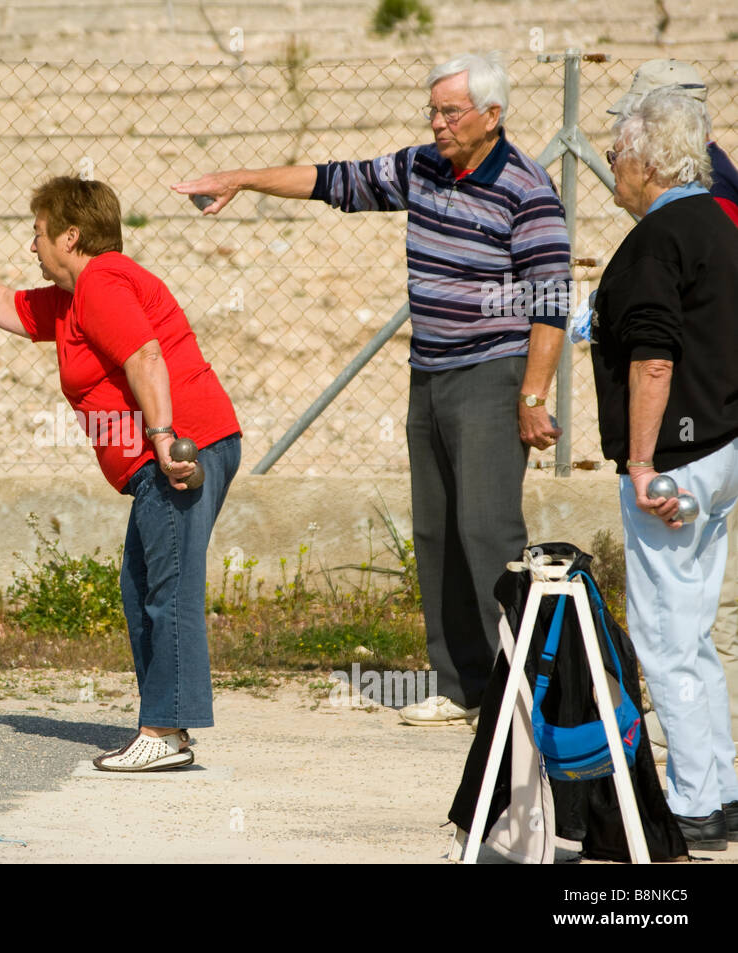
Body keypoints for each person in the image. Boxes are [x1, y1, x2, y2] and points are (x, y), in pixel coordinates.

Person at [174, 51, 570, 726]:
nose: (438, 123)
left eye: (451, 111)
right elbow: (335, 180)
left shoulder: (527, 190)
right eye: (433, 110)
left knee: (488, 530)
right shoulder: (422, 167)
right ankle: (461, 683)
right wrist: (243, 178)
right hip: (430, 374)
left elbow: (551, 301)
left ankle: (524, 689)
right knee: (437, 531)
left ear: (492, 115)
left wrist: (532, 397)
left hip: (492, 377)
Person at [0, 175, 242, 771]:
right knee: (142, 587)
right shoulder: (72, 299)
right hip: (164, 457)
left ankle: (163, 731)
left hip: (180, 451)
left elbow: (145, 355)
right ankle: (169, 726)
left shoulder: (104, 283)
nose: (31, 247)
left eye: (37, 234)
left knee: (168, 589)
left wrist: (163, 439)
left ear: (71, 235)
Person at [590, 87, 738, 850]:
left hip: (676, 457)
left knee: (664, 635)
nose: (612, 168)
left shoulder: (659, 237)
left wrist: (643, 464)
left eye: (616, 156)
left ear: (647, 161)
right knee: (694, 628)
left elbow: (653, 358)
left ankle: (692, 802)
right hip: (720, 446)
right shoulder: (717, 220)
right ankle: (721, 784)